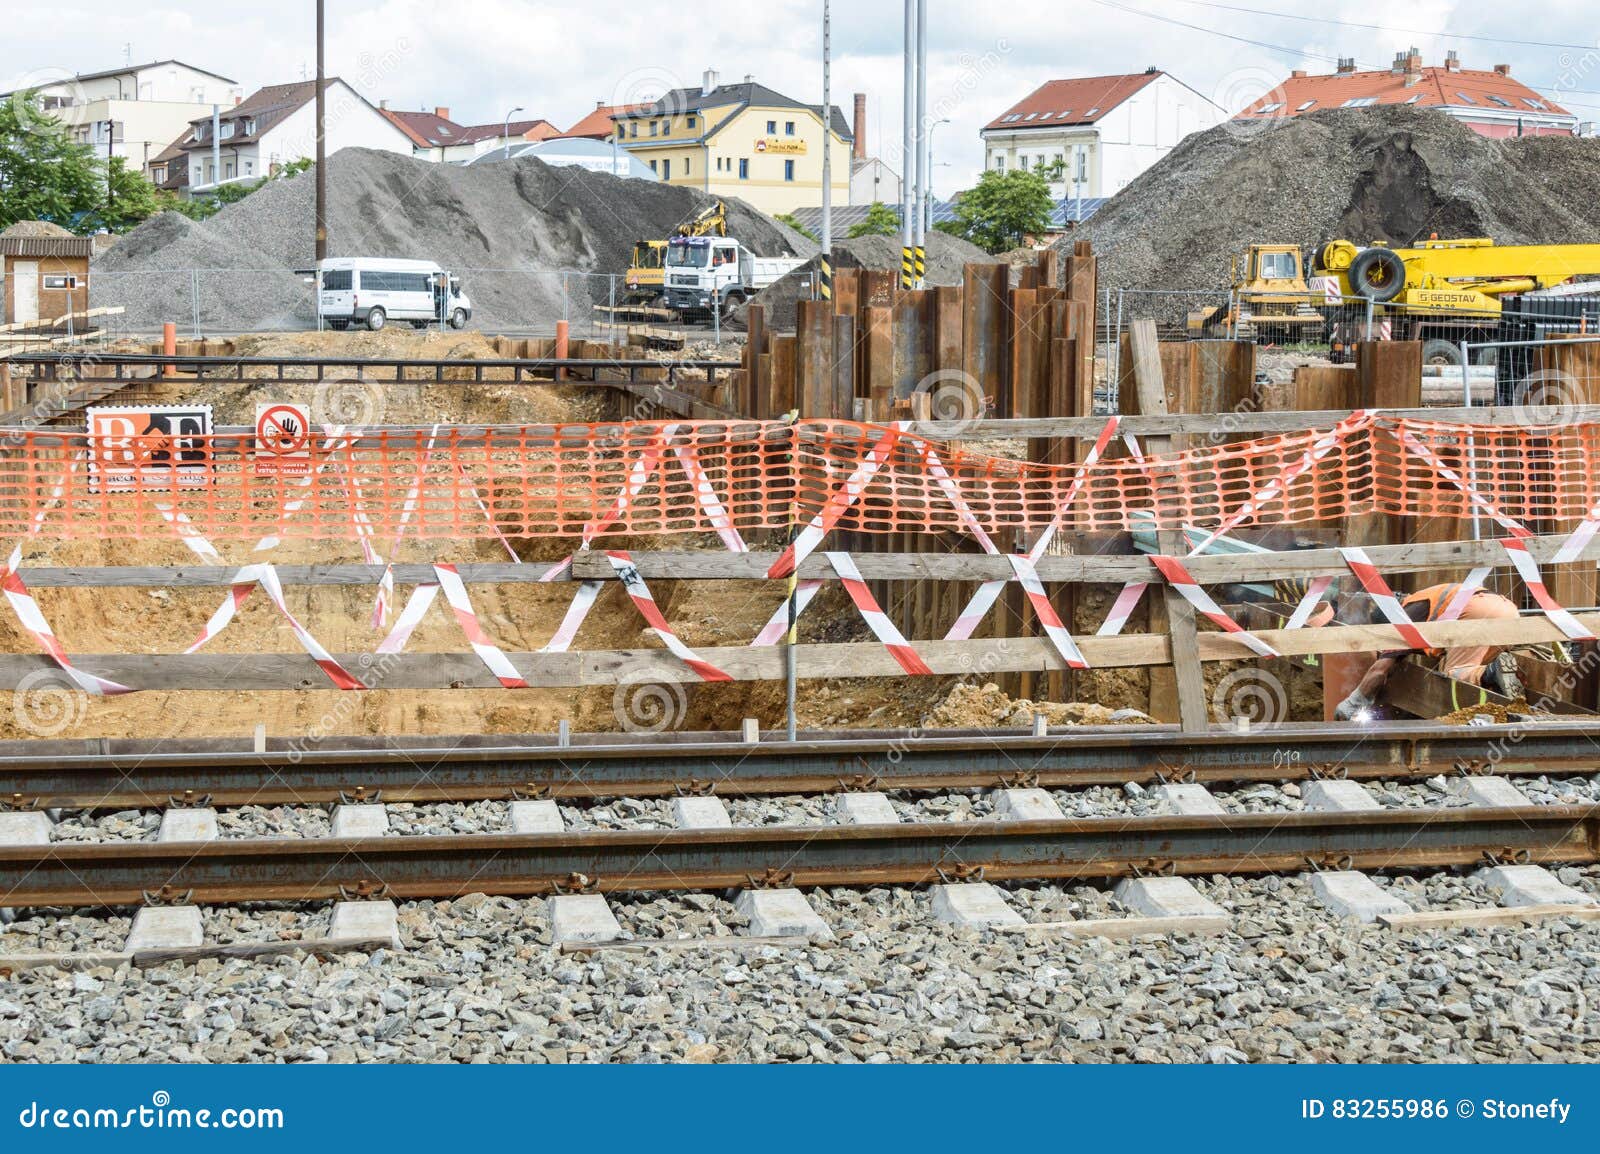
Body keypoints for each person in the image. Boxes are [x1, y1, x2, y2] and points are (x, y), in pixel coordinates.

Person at [1334, 582, 1523, 720]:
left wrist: (1353, 702)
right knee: (1474, 666)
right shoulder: (1421, 601)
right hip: (1509, 610)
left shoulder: (1404, 618)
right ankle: (1498, 679)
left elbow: (1380, 669)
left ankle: (1489, 672)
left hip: (1478, 612)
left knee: (1454, 674)